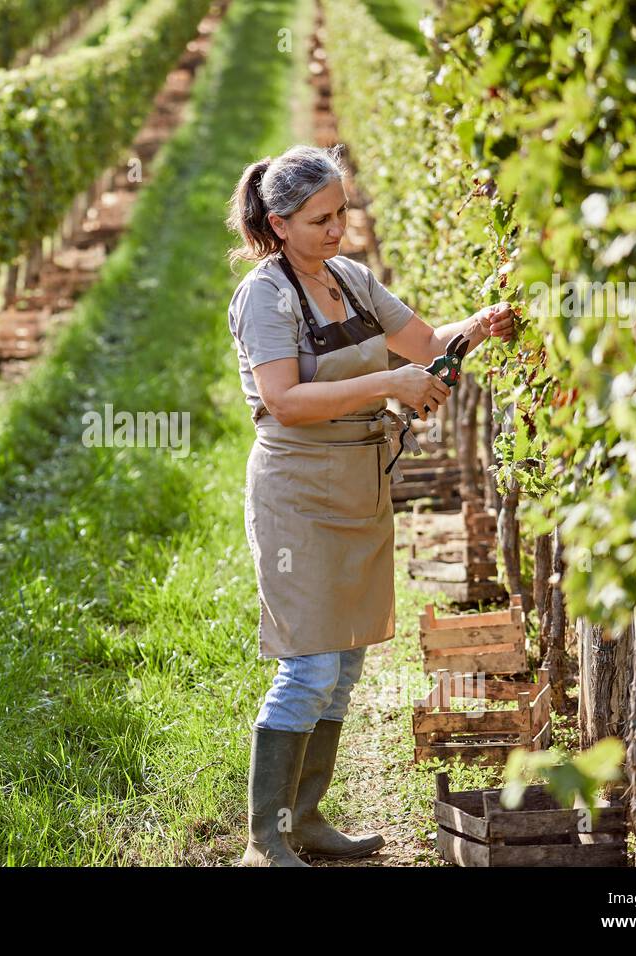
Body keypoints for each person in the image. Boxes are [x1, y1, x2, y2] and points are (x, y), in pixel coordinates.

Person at [224, 144, 516, 866]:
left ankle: (309, 818)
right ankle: (266, 837)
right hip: (298, 493)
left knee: (345, 664)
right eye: (320, 219)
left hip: (358, 483)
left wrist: (476, 326)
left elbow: (422, 342)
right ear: (278, 222)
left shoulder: (352, 280)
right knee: (310, 664)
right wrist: (391, 386)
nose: (336, 230)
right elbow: (285, 401)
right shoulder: (266, 296)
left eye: (341, 213)